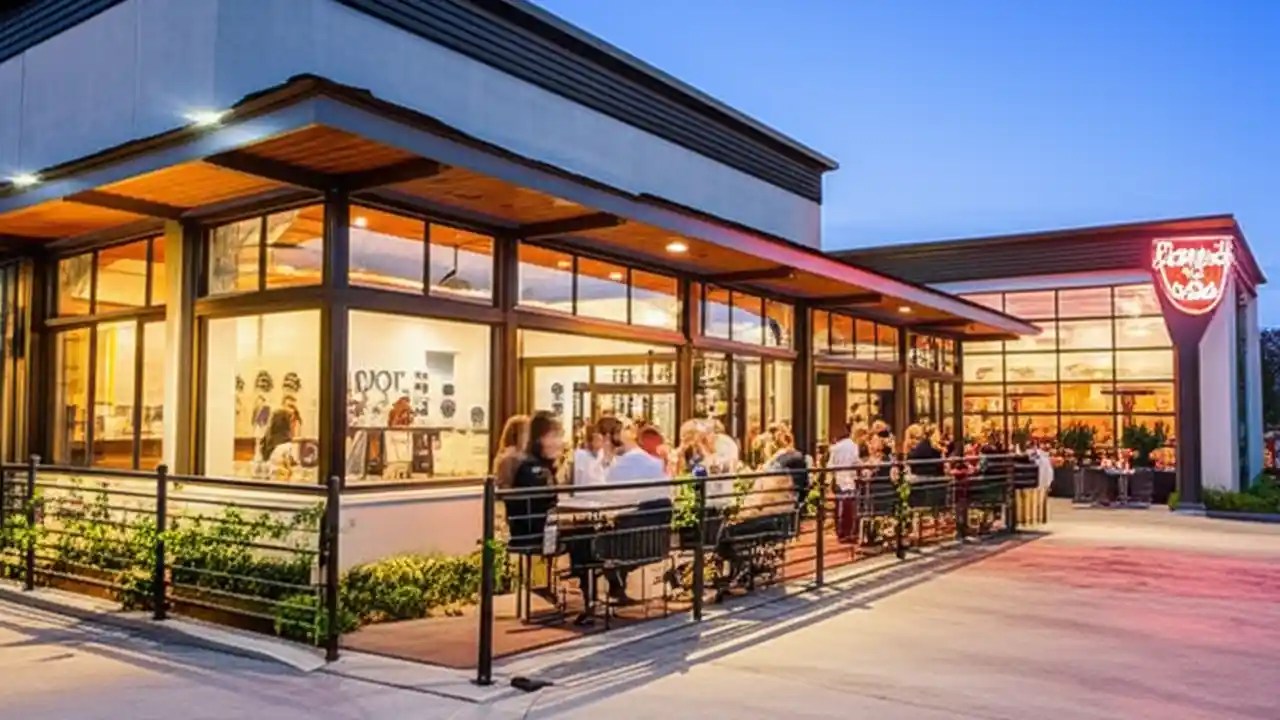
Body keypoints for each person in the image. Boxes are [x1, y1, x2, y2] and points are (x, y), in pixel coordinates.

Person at [492, 414, 530, 490]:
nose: (529, 436)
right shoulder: (507, 458)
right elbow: (504, 487)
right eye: (526, 432)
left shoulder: (528, 455)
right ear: (516, 435)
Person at [571, 423, 605, 487]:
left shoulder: (602, 453)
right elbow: (576, 476)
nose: (601, 443)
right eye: (598, 439)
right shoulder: (580, 455)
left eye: (601, 440)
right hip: (583, 490)